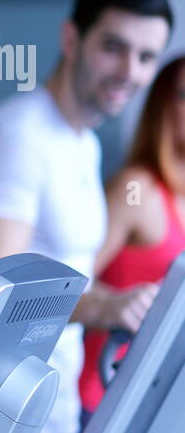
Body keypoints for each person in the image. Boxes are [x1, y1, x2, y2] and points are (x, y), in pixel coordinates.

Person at [0, 0, 173, 433]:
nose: (129, 71)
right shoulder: (18, 136)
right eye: (114, 48)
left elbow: (72, 275)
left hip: (53, 415)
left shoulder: (82, 144)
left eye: (145, 57)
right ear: (71, 38)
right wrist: (105, 306)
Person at [79, 56, 185, 414]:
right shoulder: (136, 189)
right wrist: (115, 303)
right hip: (105, 396)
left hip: (159, 403)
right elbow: (74, 282)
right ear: (162, 108)